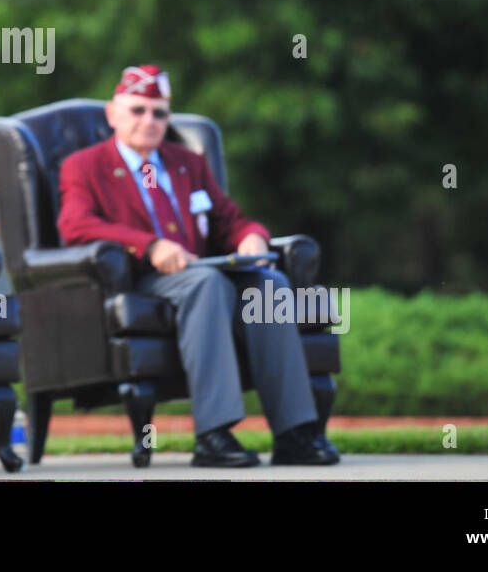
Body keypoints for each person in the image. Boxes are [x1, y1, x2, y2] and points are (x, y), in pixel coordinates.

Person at [57, 65, 339, 466]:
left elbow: (228, 219)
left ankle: (294, 434)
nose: (149, 121)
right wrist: (149, 245)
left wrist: (251, 236)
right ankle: (213, 435)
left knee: (270, 283)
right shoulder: (85, 165)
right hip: (143, 278)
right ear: (112, 114)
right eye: (138, 110)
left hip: (200, 269)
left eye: (159, 112)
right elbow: (75, 224)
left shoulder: (186, 162)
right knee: (208, 284)